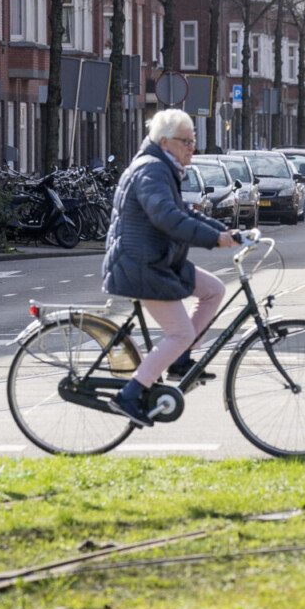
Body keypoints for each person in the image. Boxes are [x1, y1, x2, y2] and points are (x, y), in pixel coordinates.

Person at [103, 108, 239, 427]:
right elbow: (166, 217)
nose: (193, 147)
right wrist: (214, 239)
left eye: (194, 141)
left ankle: (180, 361)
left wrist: (226, 232)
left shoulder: (165, 167)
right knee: (179, 332)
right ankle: (130, 394)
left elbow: (185, 213)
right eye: (186, 142)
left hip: (160, 260)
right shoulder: (151, 170)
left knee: (214, 290)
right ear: (165, 142)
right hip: (142, 265)